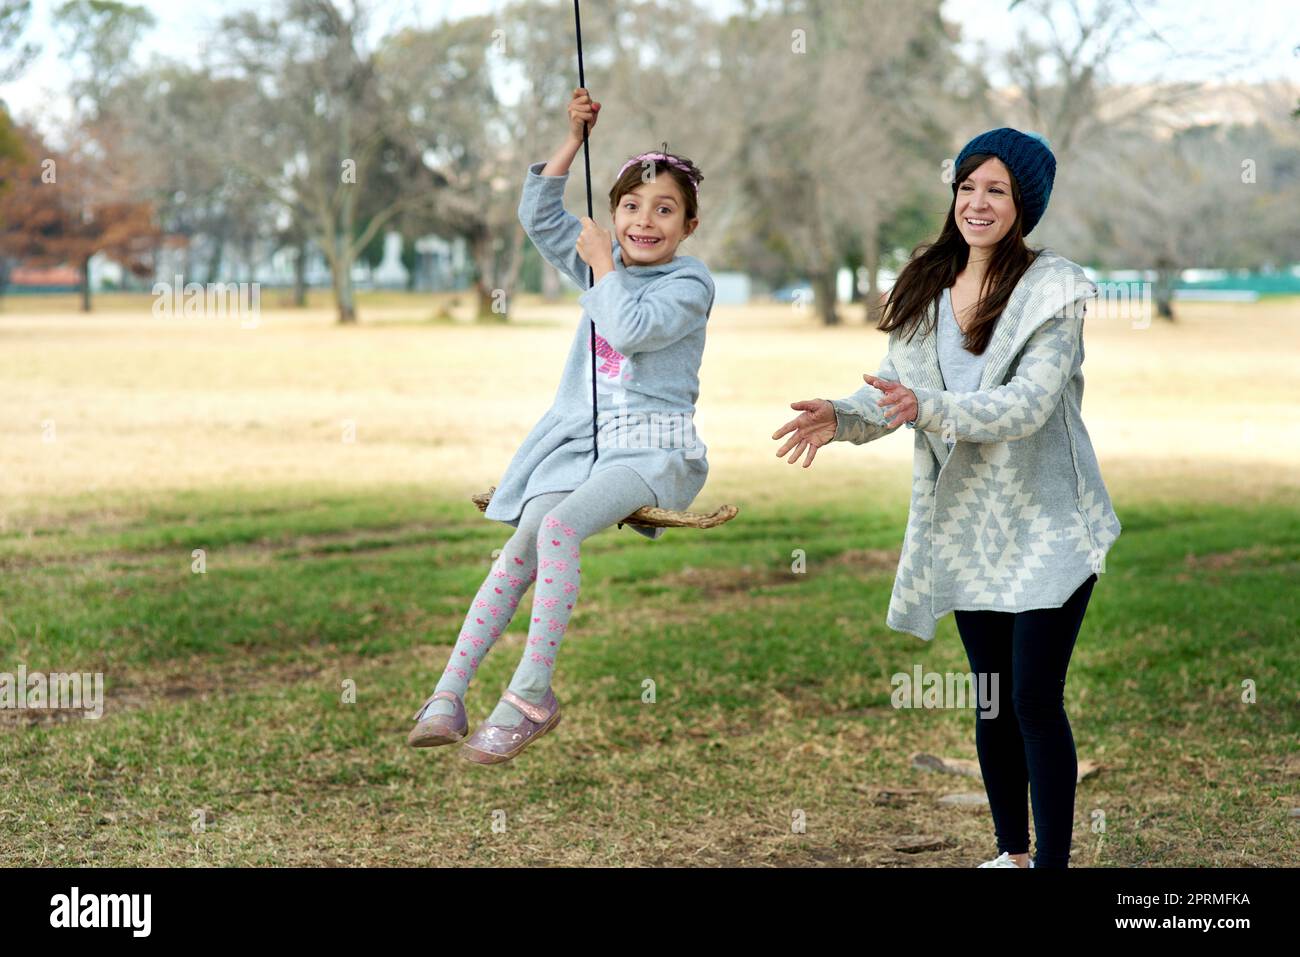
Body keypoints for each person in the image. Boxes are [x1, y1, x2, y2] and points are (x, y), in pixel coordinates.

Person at [770, 128, 1121, 868]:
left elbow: (1024, 406)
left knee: (1032, 696)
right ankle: (1012, 853)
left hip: (1049, 520)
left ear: (1025, 204)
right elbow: (896, 391)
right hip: (969, 522)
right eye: (966, 187)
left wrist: (924, 406)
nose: (976, 202)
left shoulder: (1053, 291)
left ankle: (1053, 864)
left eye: (996, 189)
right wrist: (843, 416)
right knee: (991, 697)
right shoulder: (927, 282)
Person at [408, 87, 715, 765]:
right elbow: (536, 211)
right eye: (630, 206)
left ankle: (530, 694)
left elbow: (631, 330)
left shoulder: (689, 285)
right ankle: (448, 693)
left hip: (655, 451)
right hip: (584, 448)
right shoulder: (596, 265)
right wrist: (573, 138)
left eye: (665, 209)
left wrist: (603, 262)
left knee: (557, 528)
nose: (644, 220)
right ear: (612, 212)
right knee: (522, 543)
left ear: (689, 225)